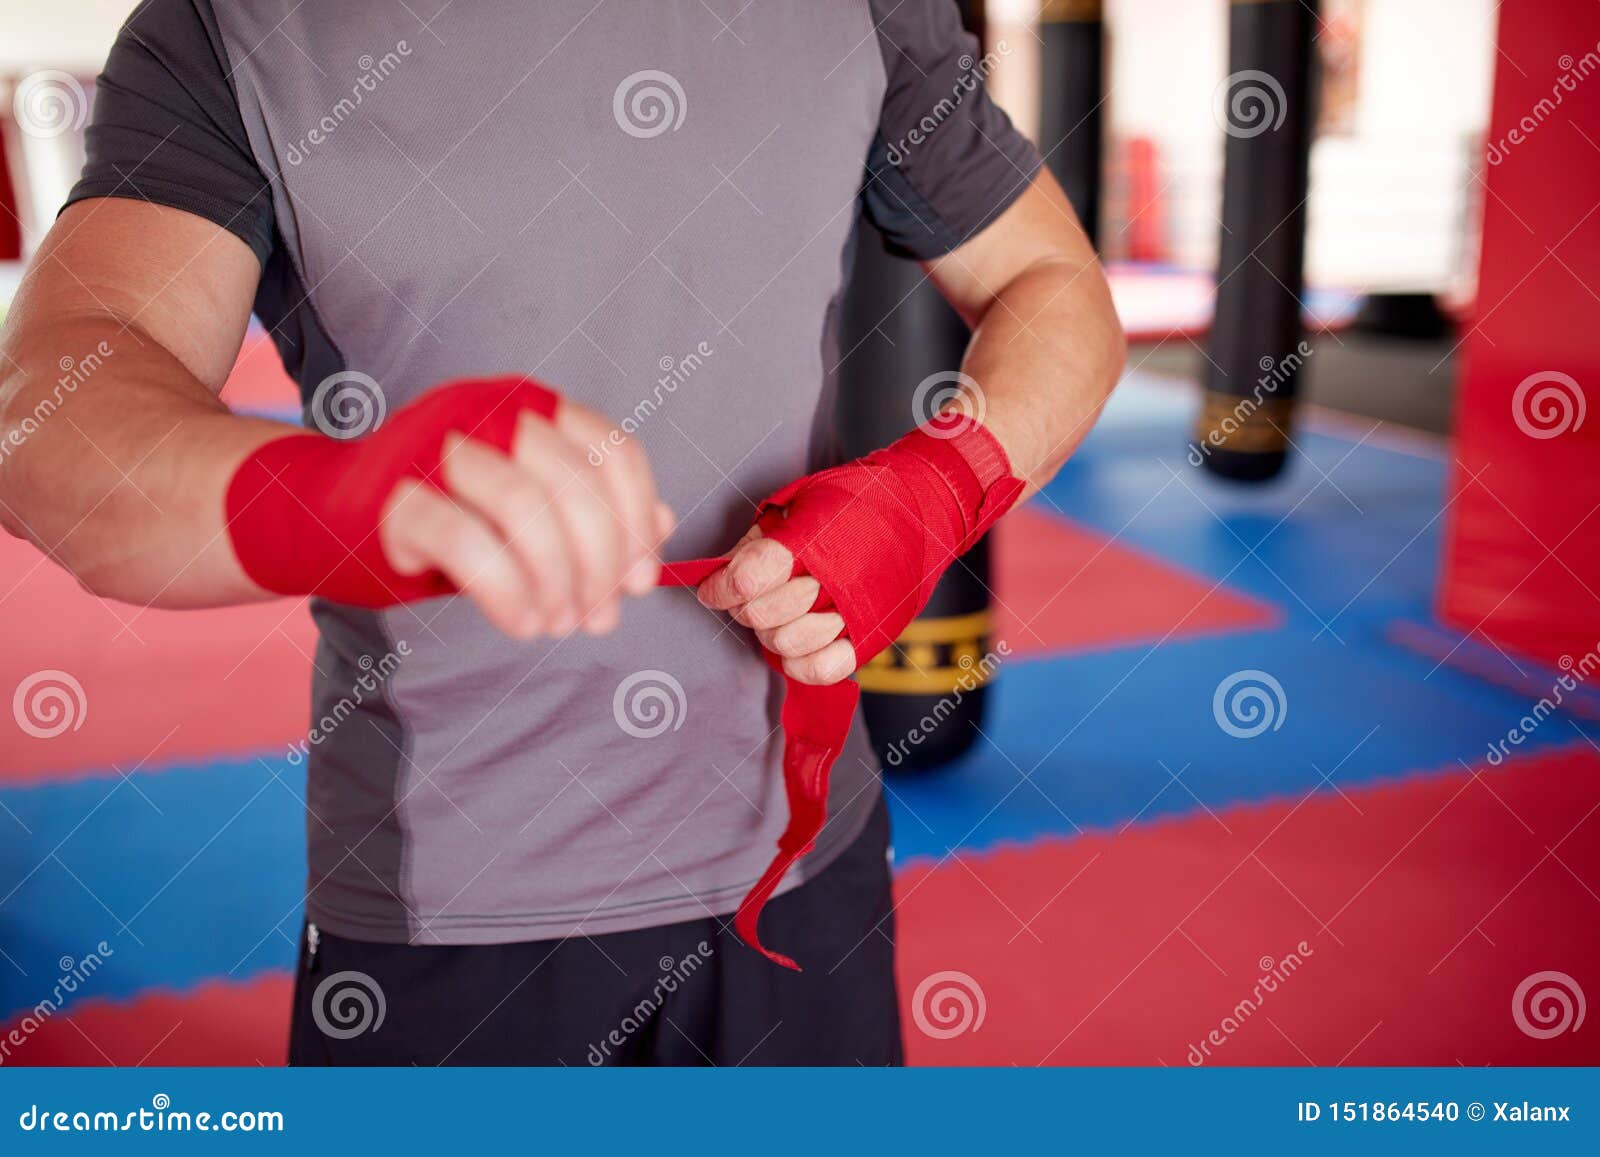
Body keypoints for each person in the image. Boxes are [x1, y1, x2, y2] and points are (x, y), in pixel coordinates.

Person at [0, 0, 1124, 1065]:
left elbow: (1051, 278)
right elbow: (51, 420)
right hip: (446, 912)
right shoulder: (236, 26)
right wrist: (345, 497)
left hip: (803, 866)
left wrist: (938, 487)